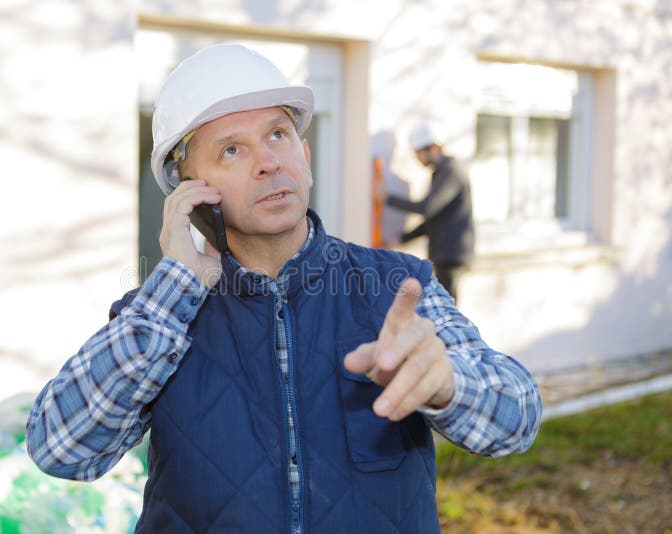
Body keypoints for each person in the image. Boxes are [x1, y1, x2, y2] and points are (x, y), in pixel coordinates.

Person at [26, 44, 541, 533]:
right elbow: (60, 449)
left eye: (277, 135)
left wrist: (450, 384)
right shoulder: (157, 317)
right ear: (190, 192)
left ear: (305, 157)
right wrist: (173, 291)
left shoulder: (397, 287)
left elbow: (518, 418)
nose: (268, 162)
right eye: (232, 150)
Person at [383, 124, 474, 301]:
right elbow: (433, 218)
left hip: (451, 256)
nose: (418, 159)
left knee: (446, 310)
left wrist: (388, 199)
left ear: (432, 148)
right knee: (442, 307)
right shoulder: (440, 173)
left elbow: (427, 208)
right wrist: (402, 238)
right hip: (445, 255)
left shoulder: (451, 171)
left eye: (419, 154)